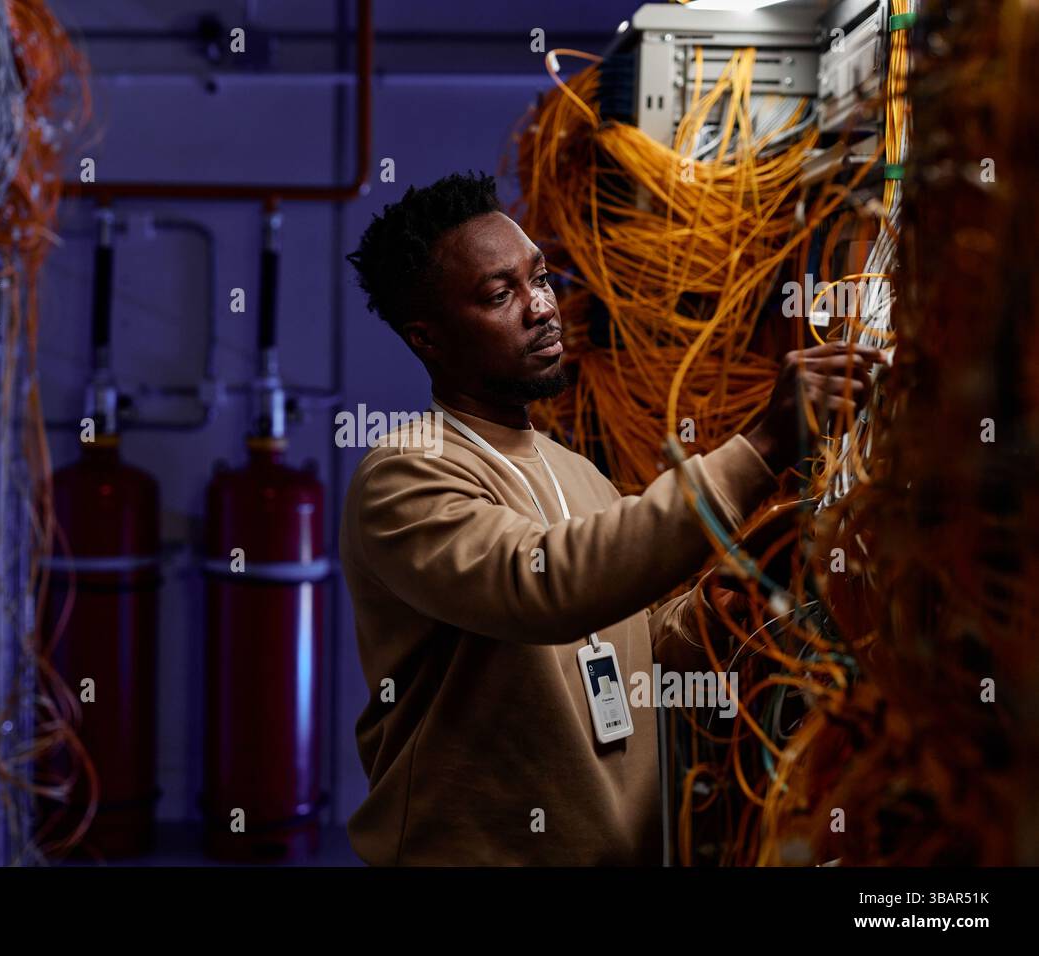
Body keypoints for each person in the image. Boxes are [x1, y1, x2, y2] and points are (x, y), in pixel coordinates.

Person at [340, 170, 885, 865]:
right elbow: (545, 588)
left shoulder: (577, 473)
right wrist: (764, 444)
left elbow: (628, 645)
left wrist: (717, 613)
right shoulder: (406, 475)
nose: (541, 307)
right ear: (428, 339)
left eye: (538, 278)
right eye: (499, 295)